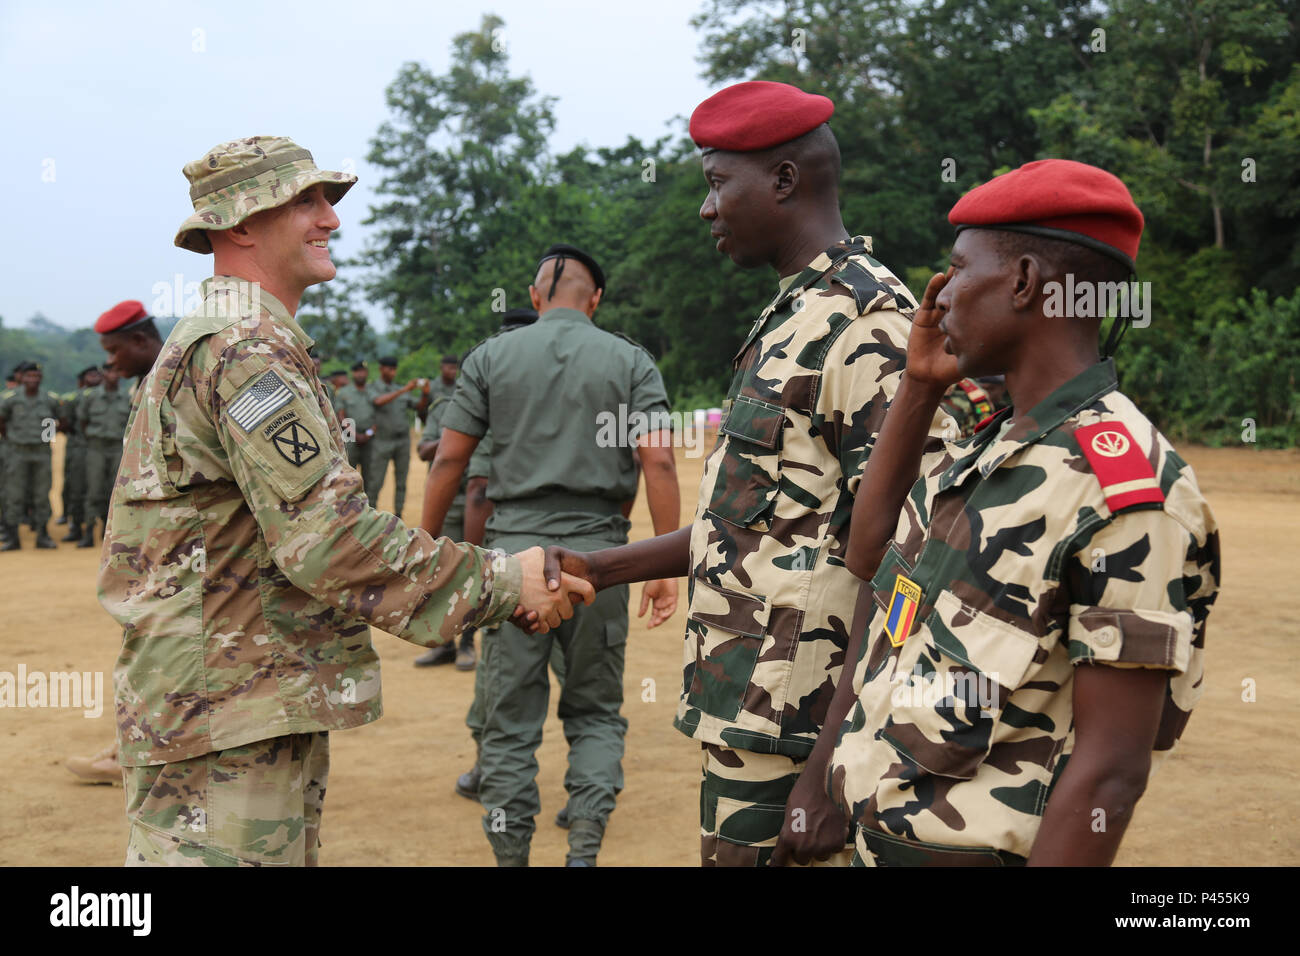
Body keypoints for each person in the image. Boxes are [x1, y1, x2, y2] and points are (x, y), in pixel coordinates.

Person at [97, 135, 590, 866]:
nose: (330, 219)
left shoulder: (249, 341)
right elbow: (329, 540)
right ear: (240, 224)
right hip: (225, 710)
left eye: (328, 200)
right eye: (307, 201)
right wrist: (501, 580)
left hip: (240, 698)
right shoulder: (244, 350)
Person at [540, 81, 948, 866]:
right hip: (752, 711)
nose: (706, 209)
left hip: (804, 726)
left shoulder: (869, 326)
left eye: (717, 183)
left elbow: (908, 555)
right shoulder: (797, 313)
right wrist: (603, 565)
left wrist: (828, 773)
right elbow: (759, 526)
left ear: (785, 182)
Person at [775, 158, 1220, 867]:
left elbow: (1112, 770)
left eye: (956, 269)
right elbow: (867, 559)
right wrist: (918, 387)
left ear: (1022, 282)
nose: (939, 296)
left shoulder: (1125, 492)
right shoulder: (988, 446)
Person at [421, 246, 681, 866]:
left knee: (509, 723)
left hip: (514, 565)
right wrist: (663, 568)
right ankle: (584, 851)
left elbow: (451, 462)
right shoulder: (630, 361)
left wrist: (430, 555)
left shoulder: (489, 358)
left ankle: (511, 858)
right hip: (601, 563)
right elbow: (661, 461)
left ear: (535, 298)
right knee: (595, 713)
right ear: (595, 301)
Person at [63, 300, 166, 784]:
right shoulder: (151, 383)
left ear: (141, 341)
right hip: (155, 553)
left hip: (178, 556)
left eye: (113, 351)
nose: (109, 363)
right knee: (151, 656)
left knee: (159, 657)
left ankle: (135, 756)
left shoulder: (173, 386)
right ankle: (133, 746)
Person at [0, 361, 64, 549]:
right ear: (22, 378)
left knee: (41, 494)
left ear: (41, 378)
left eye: (36, 376)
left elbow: (58, 419)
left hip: (41, 452)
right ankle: (12, 537)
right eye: (28, 376)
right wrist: (12, 438)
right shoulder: (11, 399)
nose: (32, 380)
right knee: (14, 494)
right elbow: (2, 421)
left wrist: (46, 438)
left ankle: (42, 535)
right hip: (17, 452)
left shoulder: (49, 399)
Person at [77, 361, 133, 548]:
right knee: (94, 490)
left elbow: (130, 424)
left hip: (117, 448)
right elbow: (83, 421)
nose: (113, 375)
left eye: (117, 371)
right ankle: (88, 532)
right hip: (96, 448)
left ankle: (108, 532)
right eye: (110, 372)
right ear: (104, 374)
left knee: (115, 491)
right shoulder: (91, 397)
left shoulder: (126, 398)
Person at [370, 355, 430, 518]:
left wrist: (424, 394)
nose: (393, 372)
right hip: (382, 440)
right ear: (381, 369)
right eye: (390, 369)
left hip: (402, 441)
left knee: (401, 481)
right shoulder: (373, 387)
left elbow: (418, 407)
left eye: (395, 369)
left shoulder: (400, 390)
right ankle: (372, 516)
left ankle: (399, 516)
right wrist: (405, 389)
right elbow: (378, 401)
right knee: (376, 481)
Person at [57, 365, 101, 541]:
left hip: (102, 448)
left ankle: (99, 523)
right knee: (75, 486)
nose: (96, 377)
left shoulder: (115, 397)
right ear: (82, 380)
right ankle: (75, 524)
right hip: (78, 447)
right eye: (91, 374)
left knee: (100, 487)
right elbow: (63, 422)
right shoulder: (73, 398)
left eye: (98, 374)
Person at [336, 360, 378, 503]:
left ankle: (370, 507)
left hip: (369, 438)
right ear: (353, 373)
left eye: (364, 371)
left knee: (370, 476)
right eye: (358, 371)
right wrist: (354, 434)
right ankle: (349, 507)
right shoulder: (344, 392)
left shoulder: (372, 392)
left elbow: (377, 416)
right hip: (350, 437)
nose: (361, 374)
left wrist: (368, 434)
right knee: (348, 475)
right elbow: (341, 415)